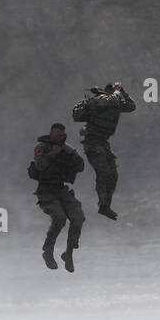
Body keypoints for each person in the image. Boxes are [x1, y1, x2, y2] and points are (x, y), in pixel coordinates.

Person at [32, 123, 85, 272]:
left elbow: (80, 166)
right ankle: (48, 251)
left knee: (78, 217)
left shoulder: (65, 149)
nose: (60, 138)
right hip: (46, 191)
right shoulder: (41, 148)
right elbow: (40, 166)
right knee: (60, 218)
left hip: (61, 189)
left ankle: (69, 253)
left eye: (62, 135)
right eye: (57, 135)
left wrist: (71, 151)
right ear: (51, 135)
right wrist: (52, 154)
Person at [79, 81, 136, 220]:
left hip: (103, 143)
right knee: (103, 171)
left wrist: (122, 91)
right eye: (114, 91)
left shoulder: (115, 102)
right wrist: (117, 91)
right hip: (92, 142)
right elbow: (111, 100)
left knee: (113, 175)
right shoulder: (99, 101)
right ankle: (103, 204)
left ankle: (105, 206)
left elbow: (132, 106)